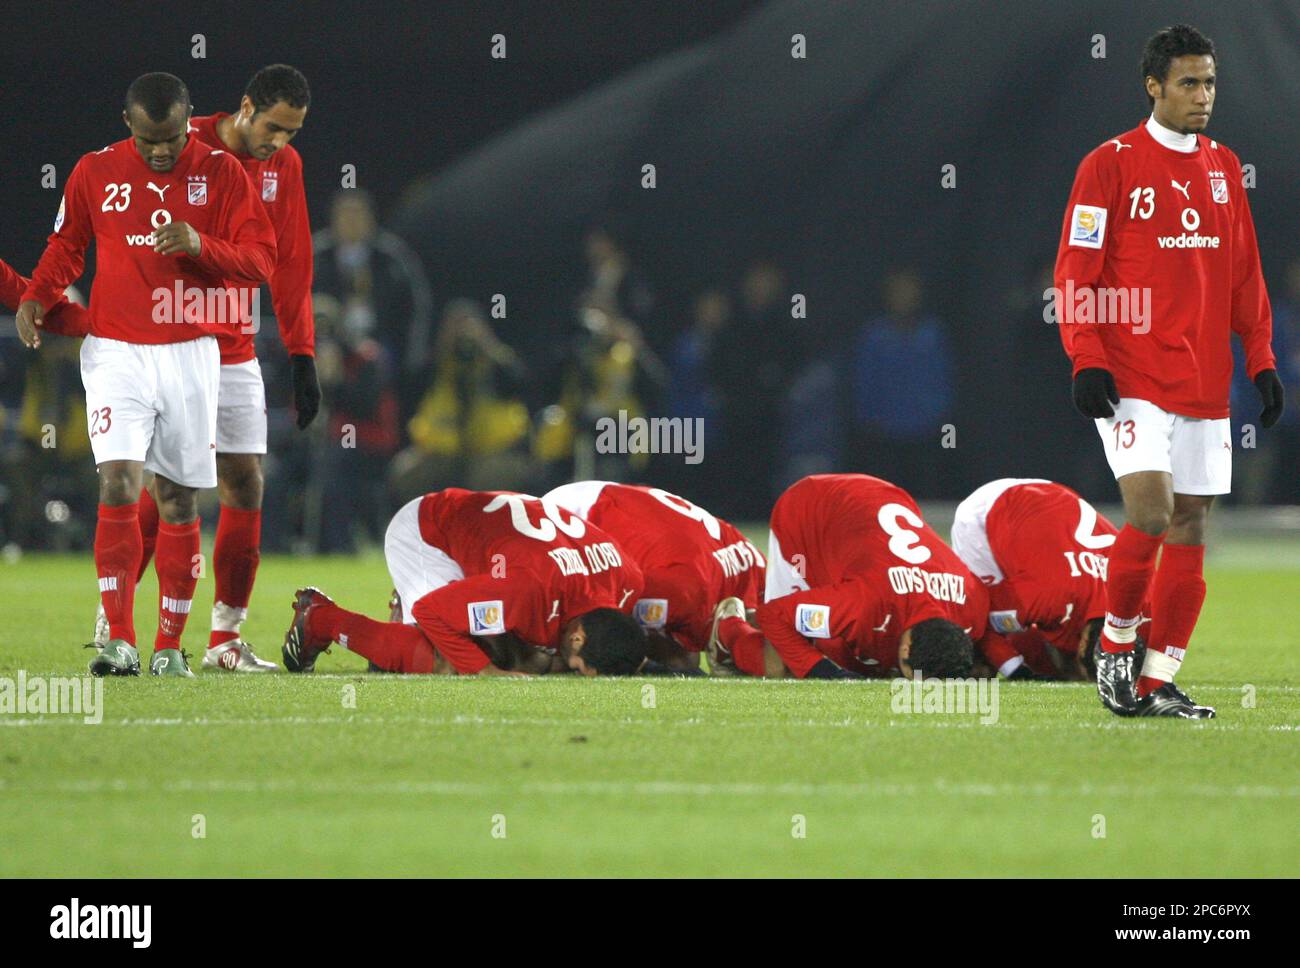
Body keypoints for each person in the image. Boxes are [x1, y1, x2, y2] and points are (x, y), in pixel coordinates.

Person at [14, 72, 277, 677]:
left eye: (174, 139)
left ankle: (168, 647)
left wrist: (200, 244)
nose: (162, 151)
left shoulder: (222, 174)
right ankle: (120, 640)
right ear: (128, 123)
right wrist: (36, 296)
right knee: (119, 484)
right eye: (150, 140)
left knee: (180, 498)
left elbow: (260, 261)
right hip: (115, 352)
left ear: (190, 122)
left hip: (191, 350)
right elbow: (67, 244)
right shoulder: (94, 171)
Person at [1054, 25, 1282, 717]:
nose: (1202, 96)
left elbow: (1246, 276)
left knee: (1191, 523)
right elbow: (1077, 270)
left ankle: (1158, 677)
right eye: (1188, 83)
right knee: (1150, 511)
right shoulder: (1110, 163)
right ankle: (1116, 651)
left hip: (1205, 381)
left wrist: (1262, 359)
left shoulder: (1223, 168)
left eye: (1209, 82)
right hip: (1131, 375)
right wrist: (1086, 356)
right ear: (1153, 86)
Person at [281, 488, 649, 676]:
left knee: (524, 655)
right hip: (428, 533)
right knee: (442, 659)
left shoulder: (628, 580)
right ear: (578, 636)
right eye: (577, 667)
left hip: (495, 537)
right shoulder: (527, 591)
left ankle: (407, 611)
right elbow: (432, 612)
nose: (569, 670)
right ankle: (320, 619)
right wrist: (485, 673)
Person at [756, 473, 984, 680]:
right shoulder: (864, 604)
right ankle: (731, 633)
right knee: (783, 661)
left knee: (860, 647)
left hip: (886, 495)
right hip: (810, 507)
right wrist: (821, 670)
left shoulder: (972, 602)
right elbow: (774, 615)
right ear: (905, 650)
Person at [544, 480, 773, 676]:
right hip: (579, 512)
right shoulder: (675, 592)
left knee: (679, 660)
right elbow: (614, 636)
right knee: (567, 649)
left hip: (623, 509)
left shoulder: (750, 572)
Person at [951, 478, 1148, 682]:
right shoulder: (1046, 602)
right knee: (976, 644)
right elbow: (981, 620)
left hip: (1053, 494)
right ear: (1082, 645)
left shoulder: (1144, 600)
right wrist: (1015, 670)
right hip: (986, 512)